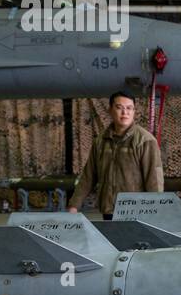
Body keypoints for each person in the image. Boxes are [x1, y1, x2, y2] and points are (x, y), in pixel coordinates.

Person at [67, 91, 163, 219]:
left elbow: (154, 181)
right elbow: (88, 177)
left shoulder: (145, 141)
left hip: (136, 213)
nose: (125, 112)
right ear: (110, 110)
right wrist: (74, 205)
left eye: (129, 108)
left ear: (134, 111)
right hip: (108, 211)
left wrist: (156, 213)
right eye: (119, 108)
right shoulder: (101, 141)